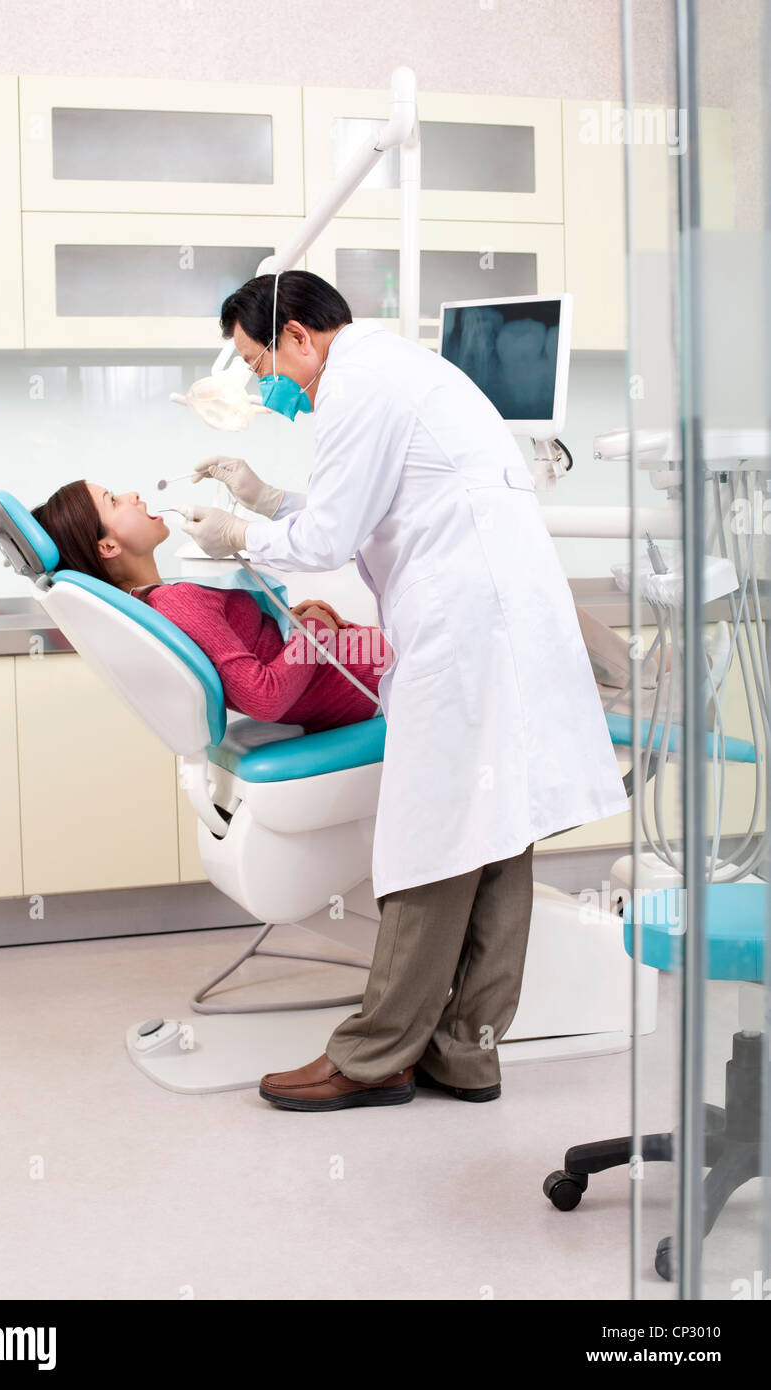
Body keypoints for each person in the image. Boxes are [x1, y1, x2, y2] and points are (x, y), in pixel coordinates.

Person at [180, 269, 631, 1115]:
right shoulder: (399, 371)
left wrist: (243, 530)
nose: (265, 385)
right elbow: (373, 507)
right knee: (499, 832)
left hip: (468, 636)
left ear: (298, 337)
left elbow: (331, 535)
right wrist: (266, 498)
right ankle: (466, 1052)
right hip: (499, 628)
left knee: (432, 834)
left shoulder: (358, 386)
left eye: (259, 363)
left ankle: (373, 1057)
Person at [30, 479, 391, 735]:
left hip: (375, 668)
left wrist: (294, 623)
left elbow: (257, 650)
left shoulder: (161, 601)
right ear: (107, 547)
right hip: (380, 680)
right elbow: (264, 698)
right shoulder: (176, 603)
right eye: (113, 500)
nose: (132, 495)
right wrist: (316, 627)